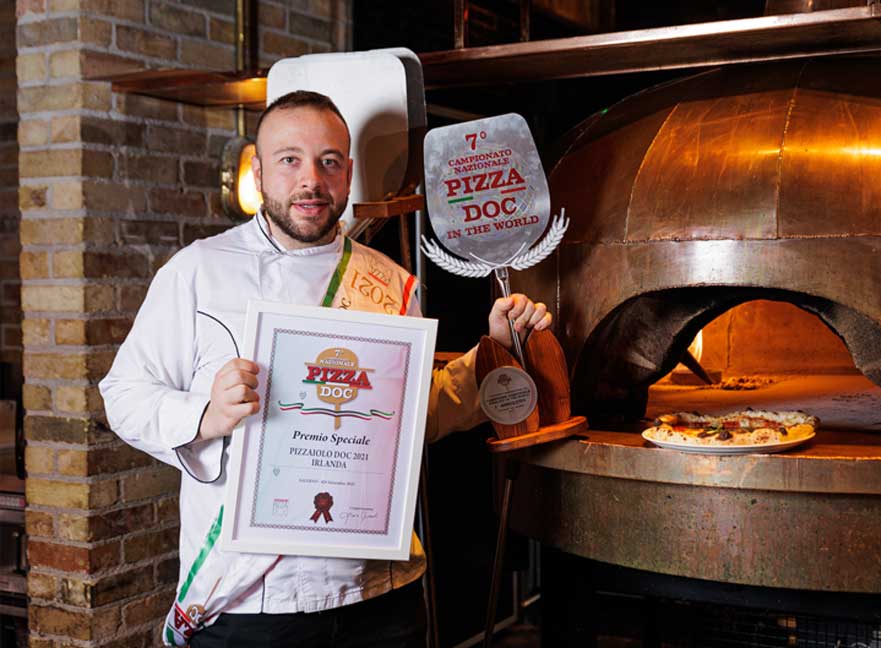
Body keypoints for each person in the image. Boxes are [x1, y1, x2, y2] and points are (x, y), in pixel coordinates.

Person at [100, 90, 551, 648]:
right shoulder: (197, 271)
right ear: (259, 172)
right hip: (251, 600)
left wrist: (494, 352)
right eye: (289, 159)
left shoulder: (389, 282)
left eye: (328, 161)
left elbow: (414, 419)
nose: (310, 179)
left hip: (380, 591)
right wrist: (206, 415)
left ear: (348, 173)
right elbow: (122, 395)